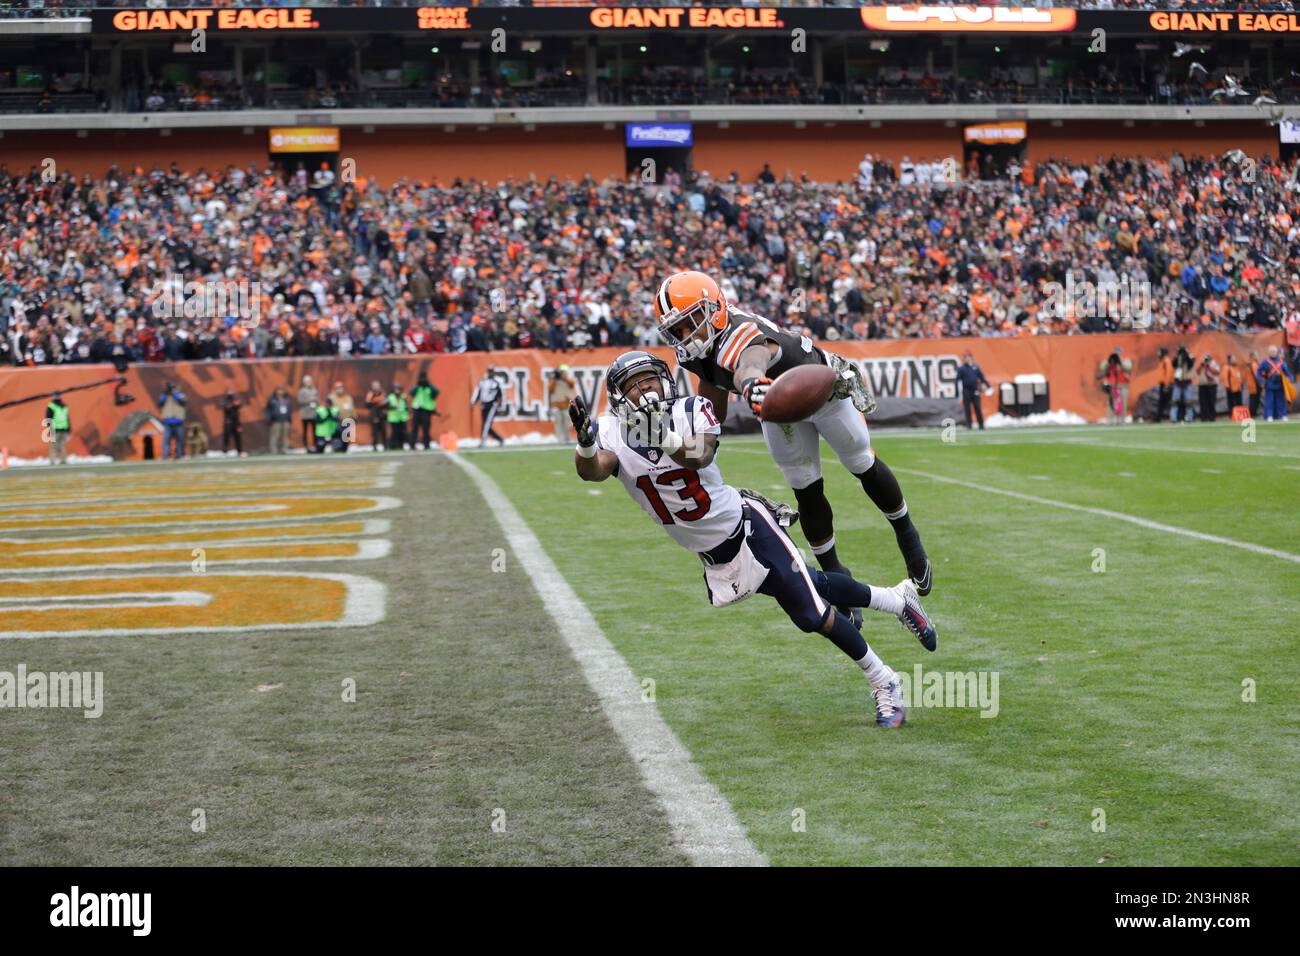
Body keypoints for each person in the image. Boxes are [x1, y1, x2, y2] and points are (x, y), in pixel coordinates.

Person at [568, 351, 935, 730]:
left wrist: (661, 435)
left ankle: (884, 680)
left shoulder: (693, 409)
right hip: (716, 552)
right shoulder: (612, 431)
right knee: (817, 583)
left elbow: (698, 456)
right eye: (633, 384)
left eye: (649, 379)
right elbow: (593, 471)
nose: (645, 389)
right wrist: (584, 444)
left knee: (812, 614)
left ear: (666, 379)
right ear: (617, 397)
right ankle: (896, 598)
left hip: (747, 526)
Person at [653, 270, 932, 631]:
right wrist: (691, 432)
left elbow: (750, 360)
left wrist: (752, 383)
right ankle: (836, 575)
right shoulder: (697, 351)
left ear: (715, 309)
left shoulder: (738, 332)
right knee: (806, 488)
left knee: (861, 462)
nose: (684, 336)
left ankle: (908, 535)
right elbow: (714, 392)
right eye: (676, 330)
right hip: (779, 408)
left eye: (689, 323)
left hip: (817, 389)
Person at [1258, 344, 1295, 422]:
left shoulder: (1281, 362)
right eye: (1271, 351)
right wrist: (1260, 380)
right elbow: (1259, 371)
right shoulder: (1265, 362)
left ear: (1276, 352)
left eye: (1274, 351)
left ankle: (1282, 415)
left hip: (1280, 385)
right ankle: (1269, 416)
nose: (1273, 352)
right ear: (1269, 352)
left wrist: (1290, 378)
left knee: (1281, 401)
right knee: (1269, 401)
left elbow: (1287, 372)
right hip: (1269, 384)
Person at [471, 366, 505, 447]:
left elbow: (500, 396)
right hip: (484, 405)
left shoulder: (496, 383)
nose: (490, 373)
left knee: (486, 424)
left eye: (491, 371)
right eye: (489, 371)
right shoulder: (482, 382)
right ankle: (499, 439)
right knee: (486, 425)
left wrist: (500, 406)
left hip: (492, 406)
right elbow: (478, 392)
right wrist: (473, 402)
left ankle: (483, 441)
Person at [956, 350, 990, 429]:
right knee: (967, 408)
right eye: (966, 357)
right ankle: (969, 424)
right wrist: (957, 393)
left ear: (971, 358)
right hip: (966, 390)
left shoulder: (976, 367)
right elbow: (957, 380)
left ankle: (981, 424)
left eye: (968, 357)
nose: (967, 359)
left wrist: (988, 386)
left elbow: (982, 378)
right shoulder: (962, 368)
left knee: (977, 407)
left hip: (975, 390)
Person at [410, 371, 440, 451]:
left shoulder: (429, 388)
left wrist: (429, 384)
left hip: (426, 411)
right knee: (415, 429)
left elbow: (436, 392)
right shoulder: (417, 387)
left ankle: (426, 444)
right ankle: (412, 445)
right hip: (417, 410)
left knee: (426, 429)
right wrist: (418, 384)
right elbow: (411, 392)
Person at [548, 364, 578, 443]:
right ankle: (561, 440)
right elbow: (550, 389)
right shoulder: (554, 382)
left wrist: (564, 378)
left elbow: (572, 384)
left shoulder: (568, 381)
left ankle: (567, 438)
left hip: (566, 405)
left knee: (567, 424)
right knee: (559, 424)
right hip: (557, 405)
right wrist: (555, 379)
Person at [159, 380, 187, 459]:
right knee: (166, 439)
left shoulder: (181, 395)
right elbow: (160, 403)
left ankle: (179, 454)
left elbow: (182, 402)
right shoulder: (164, 396)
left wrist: (174, 393)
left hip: (178, 421)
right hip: (167, 421)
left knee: (179, 439)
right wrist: (166, 392)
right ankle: (165, 454)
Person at [265, 386, 293, 455]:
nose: (280, 392)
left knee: (285, 436)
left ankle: (284, 449)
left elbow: (289, 410)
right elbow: (268, 410)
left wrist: (289, 419)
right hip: (276, 420)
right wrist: (269, 419)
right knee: (275, 436)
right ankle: (274, 450)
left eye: (282, 390)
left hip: (285, 419)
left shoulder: (287, 399)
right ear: (276, 391)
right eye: (279, 390)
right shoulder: (272, 399)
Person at [45, 391, 70, 465]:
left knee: (53, 446)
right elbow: (67, 418)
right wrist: (68, 429)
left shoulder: (51, 406)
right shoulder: (64, 406)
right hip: (64, 428)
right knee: (61, 445)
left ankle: (52, 461)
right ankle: (63, 460)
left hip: (54, 428)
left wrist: (49, 429)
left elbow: (48, 419)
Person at [1171, 345, 1195, 423]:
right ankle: (1173, 418)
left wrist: (1186, 355)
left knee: (1188, 401)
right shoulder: (1178, 358)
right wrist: (1178, 355)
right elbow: (1173, 364)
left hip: (1187, 382)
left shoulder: (1190, 357)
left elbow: (1190, 364)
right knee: (1174, 401)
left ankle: (1189, 417)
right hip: (1178, 382)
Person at [330, 382, 356, 452]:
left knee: (346, 436)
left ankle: (345, 449)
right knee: (337, 436)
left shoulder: (348, 398)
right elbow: (330, 408)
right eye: (338, 388)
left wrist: (354, 417)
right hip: (337, 420)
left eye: (341, 388)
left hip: (347, 420)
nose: (340, 390)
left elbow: (352, 408)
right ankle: (337, 449)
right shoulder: (332, 398)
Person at [1195, 352, 1220, 423]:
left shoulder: (1214, 363)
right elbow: (1197, 371)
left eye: (1208, 357)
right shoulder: (1201, 364)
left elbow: (1216, 372)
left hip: (1212, 385)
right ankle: (1204, 417)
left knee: (1211, 402)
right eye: (1205, 358)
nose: (1206, 359)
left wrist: (1208, 366)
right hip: (1203, 385)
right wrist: (1202, 365)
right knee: (1203, 402)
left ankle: (1212, 417)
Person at [297, 375, 319, 452]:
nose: (309, 383)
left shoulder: (314, 390)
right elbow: (300, 401)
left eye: (310, 381)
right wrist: (309, 401)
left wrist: (315, 401)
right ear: (304, 382)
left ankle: (315, 445)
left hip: (313, 414)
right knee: (305, 431)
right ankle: (305, 446)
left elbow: (318, 400)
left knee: (315, 431)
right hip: (305, 414)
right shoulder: (302, 391)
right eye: (307, 381)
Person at [386, 384, 409, 450]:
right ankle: (393, 446)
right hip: (393, 418)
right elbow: (387, 406)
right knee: (394, 432)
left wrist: (407, 413)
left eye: (398, 389)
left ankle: (401, 445)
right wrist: (393, 408)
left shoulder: (403, 396)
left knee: (402, 432)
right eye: (396, 389)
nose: (397, 391)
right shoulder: (390, 397)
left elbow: (406, 406)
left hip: (402, 417)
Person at [365, 381, 388, 450]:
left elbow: (386, 403)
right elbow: (367, 405)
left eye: (377, 385)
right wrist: (376, 402)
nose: (376, 387)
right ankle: (374, 447)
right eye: (374, 386)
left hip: (382, 416)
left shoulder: (383, 393)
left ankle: (385, 446)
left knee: (384, 431)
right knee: (375, 433)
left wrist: (381, 404)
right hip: (374, 415)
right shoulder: (370, 394)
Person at [221, 389, 244, 456]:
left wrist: (234, 404)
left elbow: (239, 404)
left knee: (238, 437)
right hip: (228, 421)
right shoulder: (225, 401)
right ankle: (225, 451)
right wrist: (232, 405)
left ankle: (239, 451)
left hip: (236, 422)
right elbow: (226, 407)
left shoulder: (235, 400)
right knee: (227, 437)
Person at [1154, 347, 1174, 423]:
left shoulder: (1166, 360)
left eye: (1159, 351)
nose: (1157, 353)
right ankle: (1158, 417)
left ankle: (1161, 417)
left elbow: (1168, 373)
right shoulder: (1163, 360)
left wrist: (1166, 384)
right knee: (1162, 402)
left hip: (1166, 384)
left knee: (1164, 402)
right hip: (1164, 383)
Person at [1245, 349, 1262, 420]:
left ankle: (1252, 413)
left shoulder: (1250, 364)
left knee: (1253, 399)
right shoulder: (1254, 364)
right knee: (1254, 399)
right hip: (1255, 385)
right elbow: (1257, 375)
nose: (1258, 356)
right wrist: (1261, 383)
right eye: (1256, 355)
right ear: (1253, 356)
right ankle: (1253, 413)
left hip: (1251, 385)